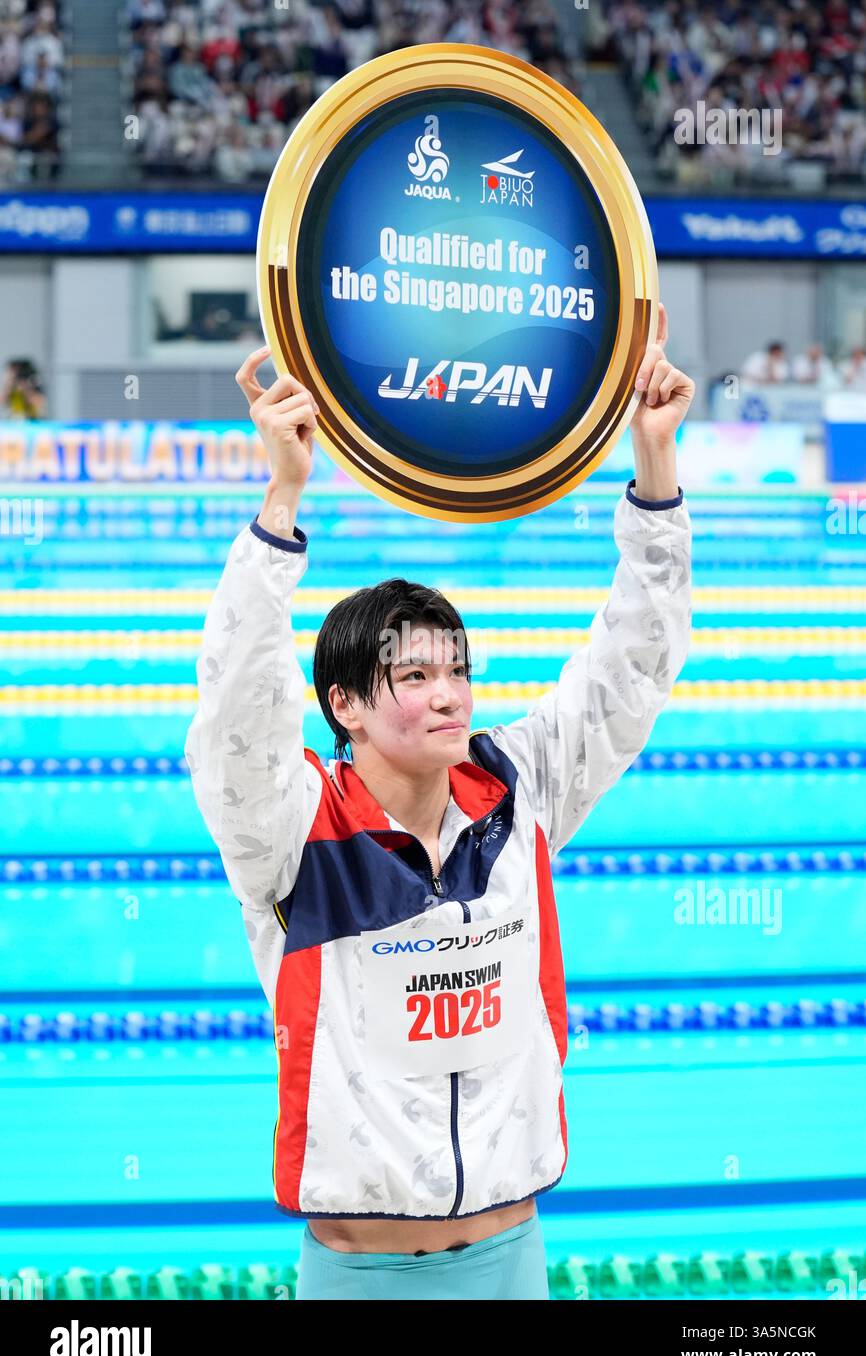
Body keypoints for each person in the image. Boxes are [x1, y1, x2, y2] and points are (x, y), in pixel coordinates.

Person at [184, 304, 694, 1301]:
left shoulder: (518, 791)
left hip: (511, 1258)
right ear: (345, 705)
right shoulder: (295, 840)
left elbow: (631, 662)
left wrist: (654, 465)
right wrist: (283, 498)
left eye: (454, 667)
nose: (447, 690)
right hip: (357, 1269)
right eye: (410, 674)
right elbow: (235, 709)